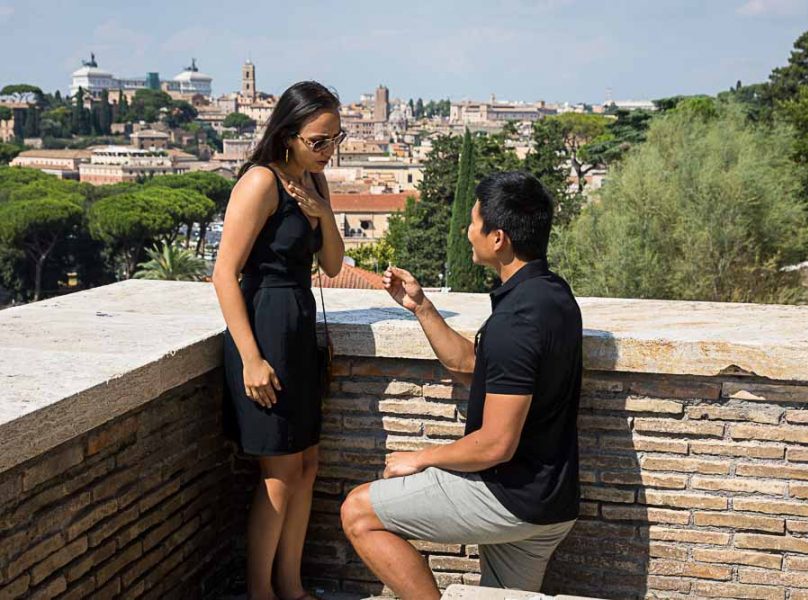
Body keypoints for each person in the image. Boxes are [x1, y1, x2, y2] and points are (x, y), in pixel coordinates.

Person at [340, 171, 583, 598]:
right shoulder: (553, 295)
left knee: (358, 511)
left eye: (473, 223)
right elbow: (474, 365)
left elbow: (495, 445)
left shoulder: (516, 322)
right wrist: (421, 307)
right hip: (551, 502)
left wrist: (422, 458)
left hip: (510, 497)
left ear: (498, 238)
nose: (466, 231)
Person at [212, 81, 345, 600]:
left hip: (298, 330)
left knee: (307, 465)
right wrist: (250, 358)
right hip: (264, 330)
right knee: (280, 474)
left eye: (336, 138)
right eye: (319, 141)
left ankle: (291, 586)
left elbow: (331, 265)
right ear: (287, 135)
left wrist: (323, 213)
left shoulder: (315, 183)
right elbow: (225, 274)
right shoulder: (259, 183)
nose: (328, 150)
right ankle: (260, 593)